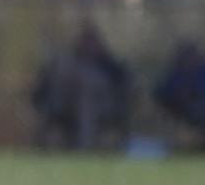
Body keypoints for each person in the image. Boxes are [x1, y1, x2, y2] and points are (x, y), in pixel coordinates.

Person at [30, 21, 130, 151]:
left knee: (87, 99)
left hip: (102, 107)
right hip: (65, 106)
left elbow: (121, 83)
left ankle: (84, 147)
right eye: (85, 42)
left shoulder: (109, 64)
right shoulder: (68, 62)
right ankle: (81, 146)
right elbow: (43, 89)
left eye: (91, 42)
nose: (88, 46)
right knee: (71, 77)